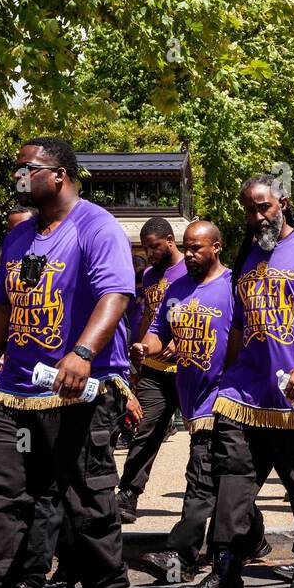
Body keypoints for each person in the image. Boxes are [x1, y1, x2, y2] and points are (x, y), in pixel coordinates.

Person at [0, 137, 136, 588]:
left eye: (26, 169)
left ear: (58, 174)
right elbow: (1, 308)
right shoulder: (17, 237)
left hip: (79, 388)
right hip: (15, 389)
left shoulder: (97, 226)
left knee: (87, 497)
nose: (17, 177)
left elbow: (115, 295)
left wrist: (81, 352)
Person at [179, 174, 294, 588]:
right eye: (250, 210)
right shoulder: (248, 255)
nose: (257, 217)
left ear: (283, 204)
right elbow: (237, 328)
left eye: (264, 208)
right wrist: (221, 379)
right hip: (244, 394)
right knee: (232, 485)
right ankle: (225, 576)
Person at [133, 221, 268, 582]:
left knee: (200, 479)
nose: (190, 254)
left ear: (217, 248)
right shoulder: (176, 288)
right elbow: (160, 332)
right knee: (227, 483)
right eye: (187, 248)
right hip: (191, 399)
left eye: (198, 248)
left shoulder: (233, 288)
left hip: (221, 401)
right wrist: (146, 346)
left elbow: (246, 339)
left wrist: (231, 382)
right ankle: (254, 539)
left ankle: (181, 556)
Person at [118, 217, 187, 523]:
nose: (149, 253)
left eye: (154, 247)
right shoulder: (148, 275)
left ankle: (216, 506)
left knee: (206, 437)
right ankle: (128, 494)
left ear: (170, 241)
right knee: (145, 430)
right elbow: (149, 315)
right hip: (156, 368)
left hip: (190, 368)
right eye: (146, 248)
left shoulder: (191, 268)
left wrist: (181, 341)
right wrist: (140, 350)